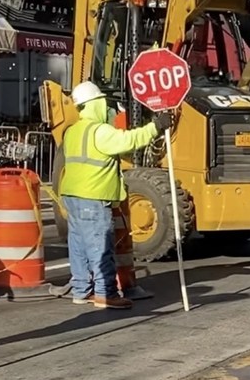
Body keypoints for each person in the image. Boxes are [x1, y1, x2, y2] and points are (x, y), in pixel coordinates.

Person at [58, 81, 172, 309]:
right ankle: (105, 293)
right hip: (93, 197)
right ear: (95, 104)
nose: (108, 109)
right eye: (104, 104)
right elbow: (129, 141)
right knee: (100, 247)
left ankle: (81, 290)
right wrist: (155, 127)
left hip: (72, 196)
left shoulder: (72, 131)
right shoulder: (100, 131)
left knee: (79, 245)